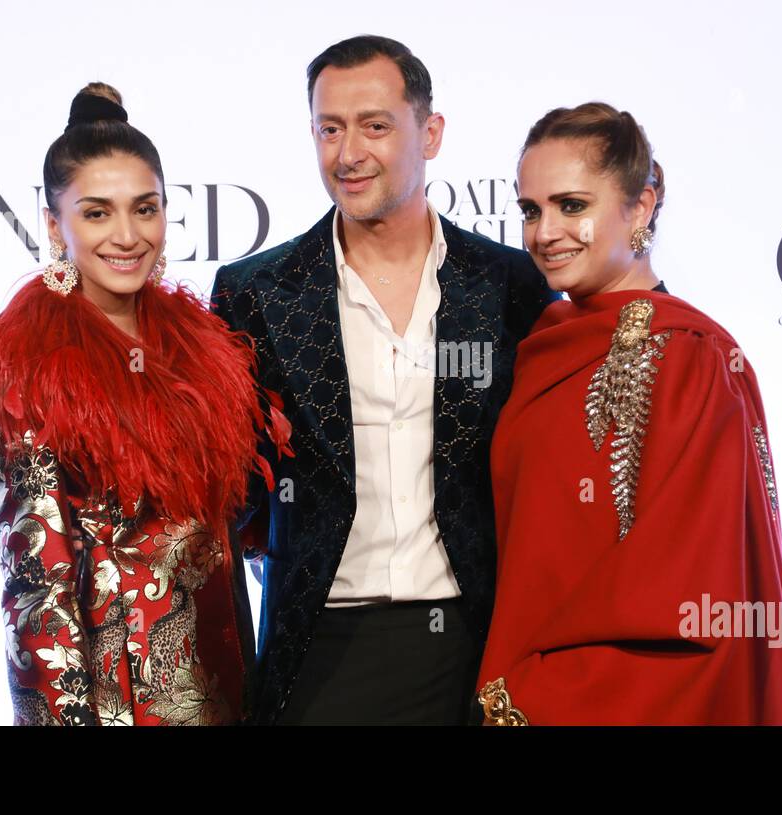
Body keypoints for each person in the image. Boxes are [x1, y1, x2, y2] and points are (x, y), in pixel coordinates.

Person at [211, 36, 557, 725]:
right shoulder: (258, 292)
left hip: (472, 642)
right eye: (328, 129)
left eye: (374, 126)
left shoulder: (508, 285)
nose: (347, 154)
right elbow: (231, 488)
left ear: (429, 134)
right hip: (317, 645)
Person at [0, 83, 280, 725]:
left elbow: (228, 538)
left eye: (144, 209)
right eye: (97, 213)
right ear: (54, 226)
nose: (127, 235)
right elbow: (37, 587)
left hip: (227, 683)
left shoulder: (205, 350)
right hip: (117, 701)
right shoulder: (25, 369)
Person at [474, 102, 782, 725]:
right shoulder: (540, 342)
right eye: (530, 209)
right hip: (516, 682)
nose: (544, 232)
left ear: (641, 206)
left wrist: (537, 700)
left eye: (572, 205)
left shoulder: (690, 356)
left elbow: (688, 597)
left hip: (597, 703)